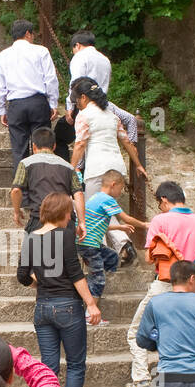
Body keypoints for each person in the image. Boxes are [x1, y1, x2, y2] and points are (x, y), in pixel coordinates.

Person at [17, 191, 101, 387]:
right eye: (71, 214)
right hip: (67, 307)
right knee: (75, 365)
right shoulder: (64, 235)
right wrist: (92, 304)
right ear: (65, 213)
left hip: (42, 309)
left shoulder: (31, 237)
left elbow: (22, 276)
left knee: (48, 367)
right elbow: (75, 273)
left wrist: (41, 282)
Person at [125, 180, 195, 387]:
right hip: (193, 289)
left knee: (136, 332)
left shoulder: (160, 220)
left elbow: (149, 258)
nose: (160, 207)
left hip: (164, 286)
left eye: (160, 203)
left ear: (163, 200)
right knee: (187, 338)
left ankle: (142, 380)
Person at [69, 78, 147, 262]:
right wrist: (138, 165)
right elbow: (126, 141)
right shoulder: (112, 116)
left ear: (84, 97)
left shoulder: (84, 115)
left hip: (97, 169)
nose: (77, 105)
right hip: (117, 169)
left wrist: (70, 168)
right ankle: (124, 244)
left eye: (77, 100)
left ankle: (100, 251)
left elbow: (80, 144)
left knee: (90, 212)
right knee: (104, 210)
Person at [0, 20, 60, 171]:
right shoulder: (41, 51)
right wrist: (53, 103)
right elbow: (50, 79)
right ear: (28, 34)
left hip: (16, 105)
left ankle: (21, 189)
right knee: (43, 146)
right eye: (33, 34)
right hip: (38, 102)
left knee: (19, 150)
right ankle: (42, 183)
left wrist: (2, 110)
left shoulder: (3, 55)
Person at [79, 171, 148, 301]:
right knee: (98, 278)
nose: (120, 192)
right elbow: (126, 218)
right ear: (113, 184)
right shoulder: (107, 199)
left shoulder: (95, 197)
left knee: (111, 257)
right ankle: (90, 311)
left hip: (87, 242)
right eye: (120, 189)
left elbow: (96, 224)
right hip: (89, 244)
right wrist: (144, 225)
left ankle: (104, 282)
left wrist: (119, 227)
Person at [10, 126, 85, 236]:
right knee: (64, 253)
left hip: (39, 220)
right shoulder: (68, 166)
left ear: (34, 146)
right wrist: (82, 222)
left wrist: (17, 211)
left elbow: (16, 190)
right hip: (65, 222)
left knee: (35, 252)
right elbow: (78, 194)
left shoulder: (26, 163)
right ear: (54, 146)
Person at [64, 30, 112, 116]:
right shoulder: (105, 59)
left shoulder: (80, 57)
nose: (73, 53)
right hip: (102, 106)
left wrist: (69, 106)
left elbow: (76, 83)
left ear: (77, 45)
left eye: (73, 50)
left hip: (84, 107)